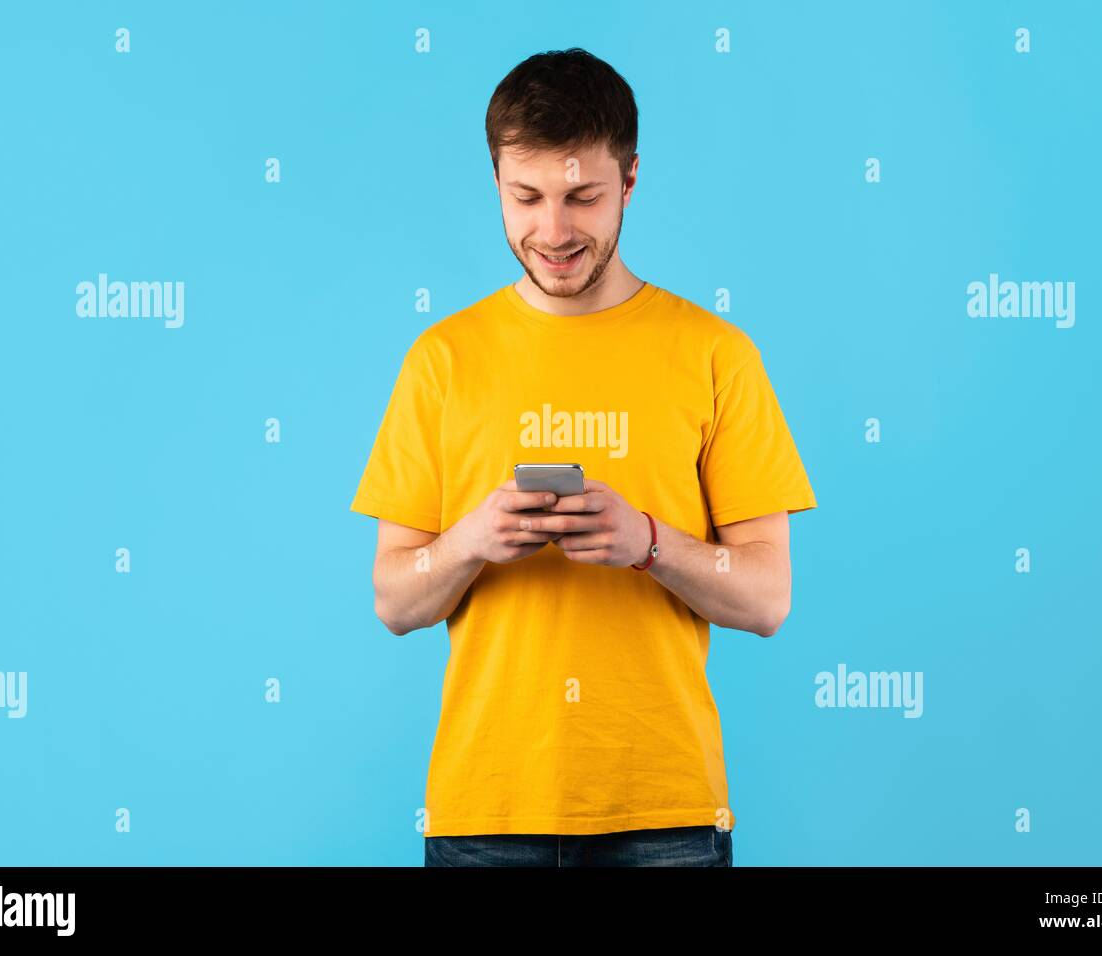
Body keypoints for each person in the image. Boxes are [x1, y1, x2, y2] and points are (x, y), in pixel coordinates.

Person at [349, 48, 817, 867]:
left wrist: (648, 543)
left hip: (665, 814)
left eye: (583, 197)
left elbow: (767, 598)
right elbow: (395, 600)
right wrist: (470, 541)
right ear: (496, 183)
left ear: (630, 181)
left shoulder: (716, 355)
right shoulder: (442, 360)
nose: (555, 232)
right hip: (486, 812)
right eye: (526, 197)